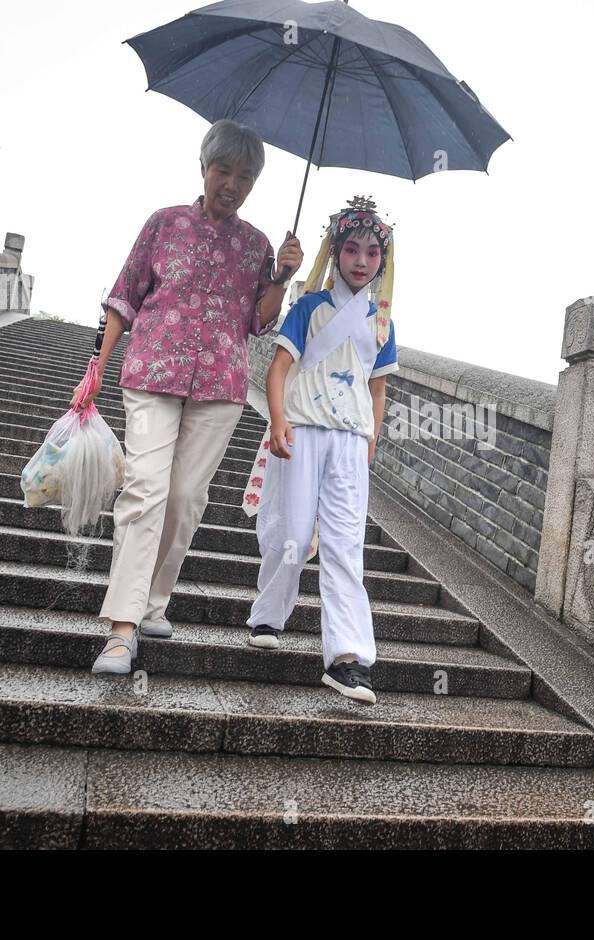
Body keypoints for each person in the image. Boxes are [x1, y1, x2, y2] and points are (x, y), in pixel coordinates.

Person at [85, 119, 302, 675]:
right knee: (146, 489)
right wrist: (97, 366)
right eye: (223, 171)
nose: (232, 184)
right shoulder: (164, 224)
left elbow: (259, 320)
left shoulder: (256, 244)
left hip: (220, 386)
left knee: (184, 498)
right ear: (203, 168)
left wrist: (280, 275)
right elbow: (123, 295)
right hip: (152, 371)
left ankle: (154, 601)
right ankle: (122, 629)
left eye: (245, 177)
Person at [245, 197, 398, 705]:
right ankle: (268, 614)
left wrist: (372, 437)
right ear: (334, 254)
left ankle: (347, 658)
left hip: (352, 441)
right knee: (290, 530)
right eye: (350, 249)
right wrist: (278, 418)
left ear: (383, 259)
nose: (360, 260)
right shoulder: (309, 307)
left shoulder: (382, 323)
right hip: (305, 429)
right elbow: (279, 368)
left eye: (372, 252)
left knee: (344, 545)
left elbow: (377, 388)